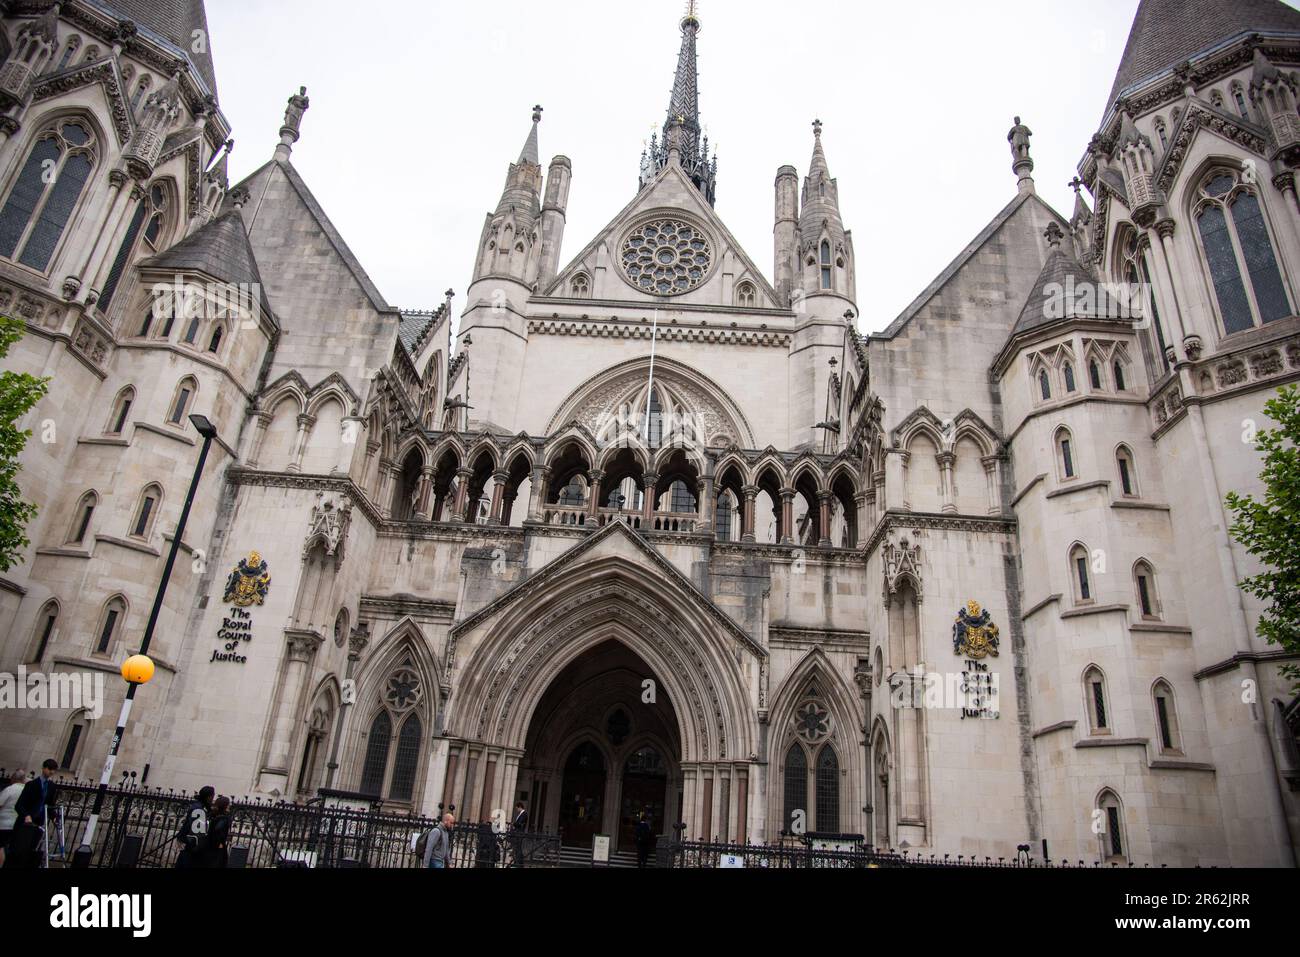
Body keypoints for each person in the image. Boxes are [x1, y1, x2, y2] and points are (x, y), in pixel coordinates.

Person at [10, 759, 59, 868]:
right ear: (44, 768)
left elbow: (50, 805)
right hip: (25, 824)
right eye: (50, 769)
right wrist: (26, 815)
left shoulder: (51, 787)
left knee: (31, 851)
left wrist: (54, 817)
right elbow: (19, 805)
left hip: (38, 823)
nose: (51, 772)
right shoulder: (32, 785)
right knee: (18, 851)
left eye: (54, 770)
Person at [175, 785, 215, 868]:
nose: (212, 799)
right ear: (208, 797)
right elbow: (195, 828)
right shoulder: (199, 809)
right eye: (212, 796)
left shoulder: (200, 807)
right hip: (192, 845)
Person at [0, 770, 26, 868]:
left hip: (3, 823)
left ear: (13, 778)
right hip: (17, 824)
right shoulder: (26, 790)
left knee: (1, 847)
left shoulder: (10, 789)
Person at [204, 796, 232, 869]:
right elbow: (218, 830)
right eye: (228, 804)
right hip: (217, 848)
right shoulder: (224, 818)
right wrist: (220, 844)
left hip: (208, 846)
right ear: (224, 806)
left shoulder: (212, 815)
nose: (230, 806)